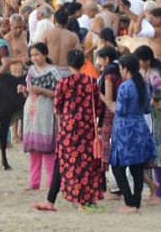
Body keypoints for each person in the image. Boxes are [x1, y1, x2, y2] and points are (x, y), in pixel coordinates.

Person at [35, 48, 103, 211]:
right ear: (83, 63)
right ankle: (83, 200)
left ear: (68, 64)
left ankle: (51, 201)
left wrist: (62, 124)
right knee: (86, 163)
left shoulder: (64, 83)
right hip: (87, 128)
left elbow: (57, 108)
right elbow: (98, 107)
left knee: (62, 162)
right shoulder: (91, 82)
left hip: (68, 128)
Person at [109, 53, 157, 212]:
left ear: (125, 69)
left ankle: (129, 202)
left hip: (124, 129)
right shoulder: (143, 85)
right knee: (137, 166)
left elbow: (121, 111)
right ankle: (136, 201)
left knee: (118, 167)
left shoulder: (125, 87)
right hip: (139, 127)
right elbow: (148, 108)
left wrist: (113, 107)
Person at [19, 43, 59, 192]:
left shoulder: (53, 72)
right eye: (32, 55)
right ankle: (34, 181)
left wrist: (41, 90)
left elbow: (58, 93)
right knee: (34, 149)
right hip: (32, 111)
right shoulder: (31, 71)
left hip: (47, 110)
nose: (34, 58)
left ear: (45, 54)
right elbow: (28, 91)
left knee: (48, 148)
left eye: (37, 55)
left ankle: (50, 182)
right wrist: (24, 90)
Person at [134, 45, 161, 204]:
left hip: (156, 118)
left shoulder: (154, 73)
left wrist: (155, 100)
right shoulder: (151, 71)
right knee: (155, 155)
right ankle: (158, 192)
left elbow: (158, 87)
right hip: (154, 116)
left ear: (147, 60)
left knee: (158, 156)